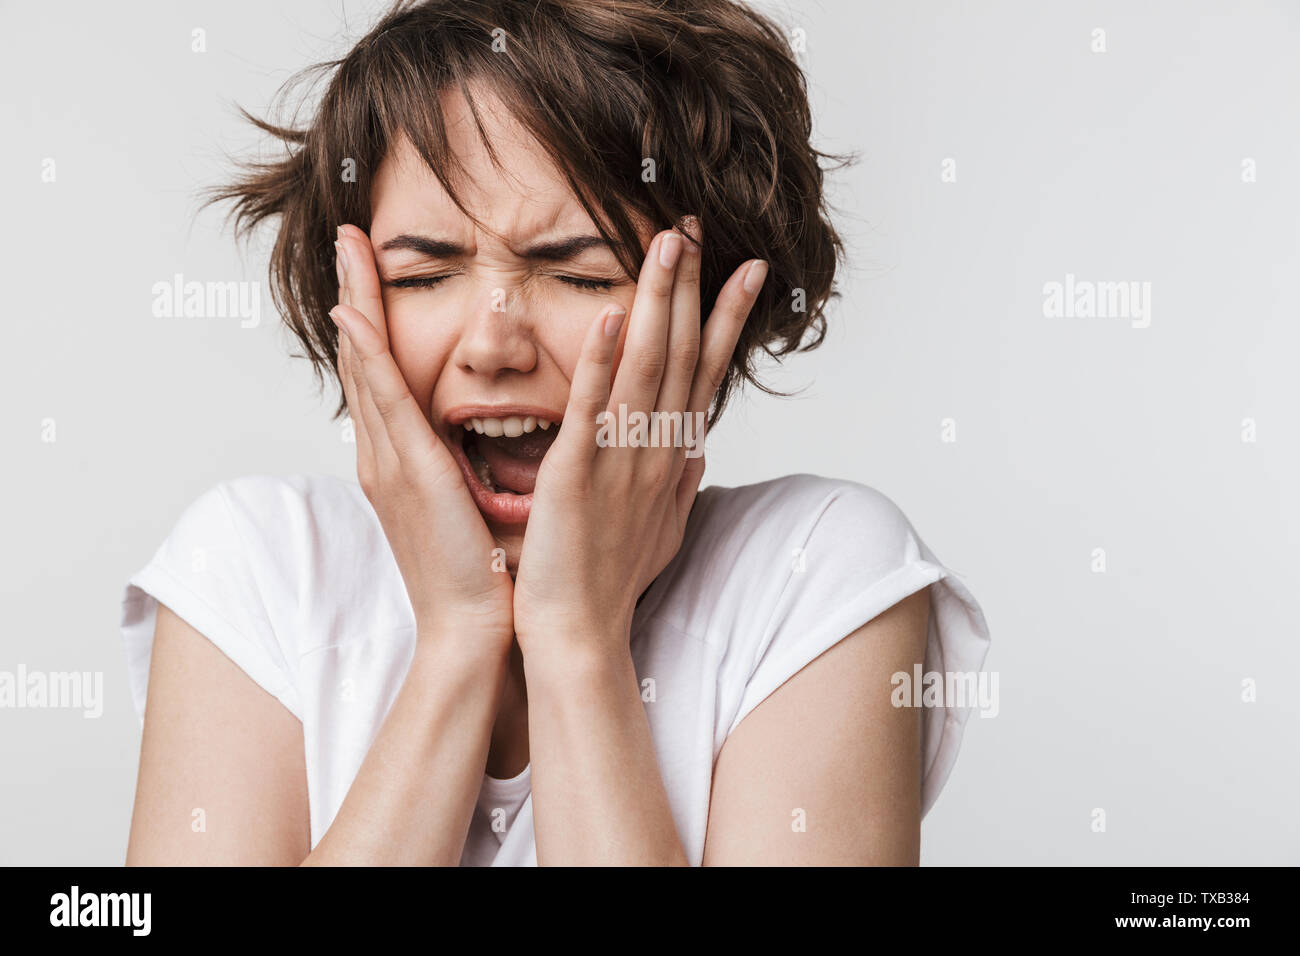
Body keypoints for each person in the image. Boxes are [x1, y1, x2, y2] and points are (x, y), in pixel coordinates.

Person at [120, 0, 991, 866]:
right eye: (423, 275)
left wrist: (579, 642)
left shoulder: (820, 575)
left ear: (707, 314)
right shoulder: (255, 568)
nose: (493, 342)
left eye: (578, 273)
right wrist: (459, 641)